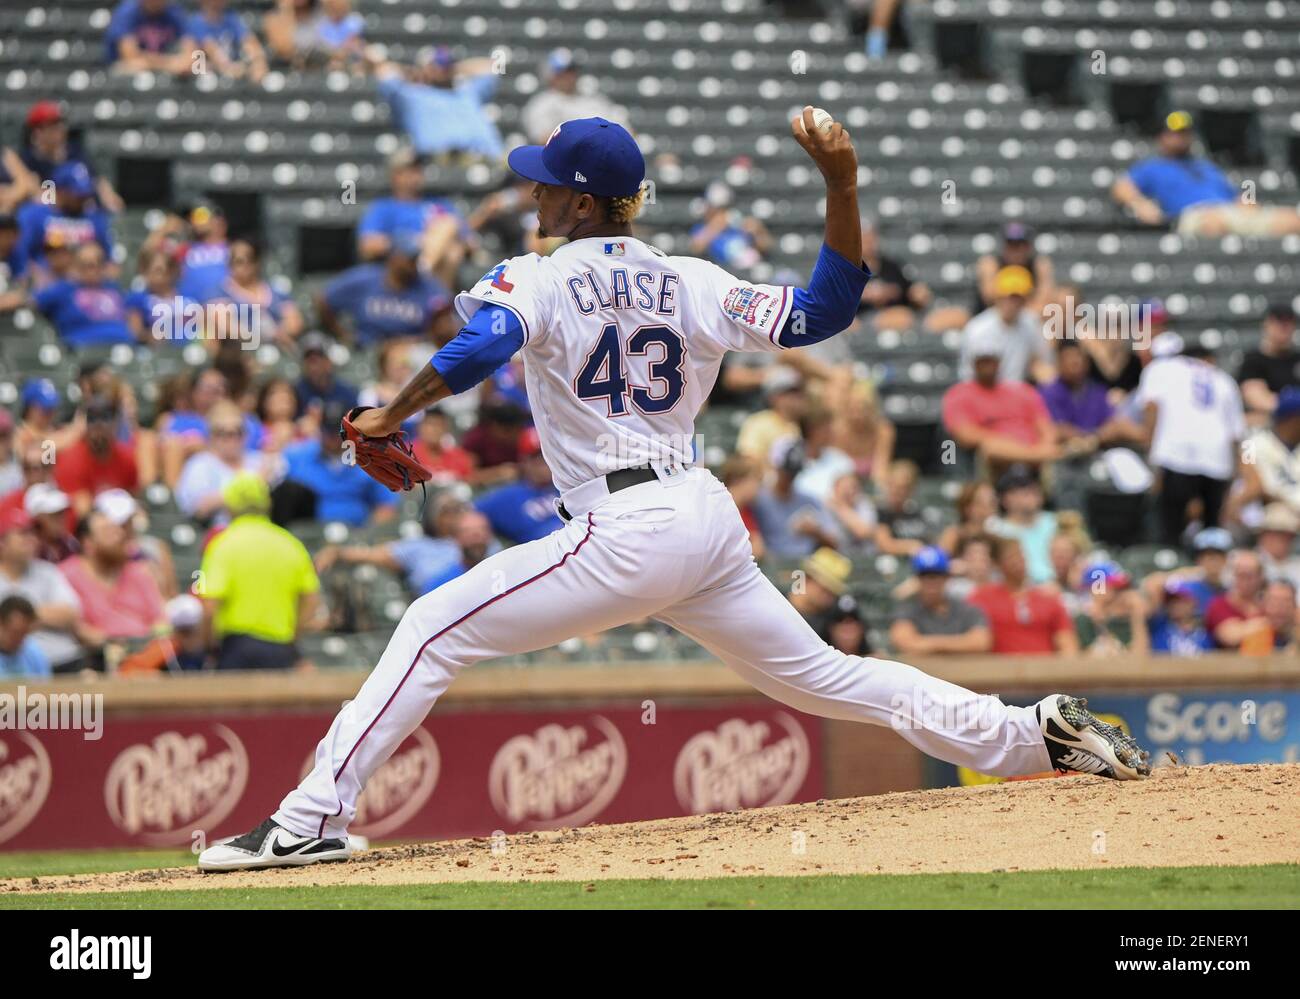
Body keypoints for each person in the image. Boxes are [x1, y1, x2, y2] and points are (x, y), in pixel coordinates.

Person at [199, 110, 1148, 871]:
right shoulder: (688, 278)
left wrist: (386, 412)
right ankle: (1035, 735)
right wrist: (843, 185)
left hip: (625, 526)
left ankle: (307, 818)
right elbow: (823, 311)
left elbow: (484, 344)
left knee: (428, 628)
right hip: (701, 516)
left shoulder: (535, 272)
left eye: (544, 181)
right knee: (831, 678)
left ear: (576, 204)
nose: (531, 190)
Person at [198, 473, 321, 670]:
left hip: (236, 648)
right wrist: (293, 636)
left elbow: (209, 607)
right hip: (281, 648)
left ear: (229, 507)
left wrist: (208, 647)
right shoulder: (291, 544)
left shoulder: (222, 544)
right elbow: (311, 600)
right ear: (267, 504)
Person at [1112, 111, 1300, 238]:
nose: (1180, 138)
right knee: (1214, 223)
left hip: (1228, 212)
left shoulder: (1206, 167)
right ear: (1162, 137)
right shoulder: (1153, 167)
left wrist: (1249, 204)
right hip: (1194, 216)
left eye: (1184, 133)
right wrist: (1139, 204)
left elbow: (1236, 197)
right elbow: (1121, 187)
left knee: (1294, 220)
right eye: (1174, 133)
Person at [1135, 342, 1245, 544]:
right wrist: (1236, 475)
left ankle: (1170, 560)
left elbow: (1151, 408)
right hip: (1217, 459)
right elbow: (1238, 436)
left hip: (1177, 455)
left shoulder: (1162, 368)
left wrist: (1151, 453)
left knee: (1169, 527)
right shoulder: (1224, 379)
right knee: (1212, 531)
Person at [942, 327, 1061, 469]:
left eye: (991, 360)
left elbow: (1045, 427)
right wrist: (1028, 451)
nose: (987, 366)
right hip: (994, 462)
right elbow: (965, 436)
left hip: (1036, 457)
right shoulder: (958, 394)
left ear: (999, 362)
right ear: (973, 363)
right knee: (992, 448)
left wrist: (1046, 444)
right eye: (983, 361)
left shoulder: (1023, 390)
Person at [356, 148, 469, 287]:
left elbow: (469, 241)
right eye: (410, 170)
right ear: (395, 176)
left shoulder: (439, 203)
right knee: (450, 239)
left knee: (452, 246)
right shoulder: (383, 207)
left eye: (418, 170)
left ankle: (424, 273)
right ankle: (430, 290)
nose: (416, 175)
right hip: (401, 265)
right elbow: (367, 246)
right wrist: (413, 241)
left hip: (438, 263)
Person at [370, 46, 504, 161]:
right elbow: (384, 72)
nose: (442, 69)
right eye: (437, 64)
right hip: (437, 160)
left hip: (484, 157)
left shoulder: (466, 92)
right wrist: (414, 72)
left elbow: (494, 66)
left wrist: (455, 68)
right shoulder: (411, 95)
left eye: (445, 64)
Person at [317, 235, 452, 346]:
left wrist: (428, 335)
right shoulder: (365, 278)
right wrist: (344, 335)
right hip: (367, 349)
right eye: (409, 258)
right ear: (394, 258)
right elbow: (324, 300)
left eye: (415, 259)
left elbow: (447, 317)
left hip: (411, 352)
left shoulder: (428, 286)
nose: (413, 264)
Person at [281, 402, 400, 526]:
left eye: (338, 431)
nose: (332, 437)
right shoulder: (296, 457)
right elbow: (283, 502)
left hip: (358, 535)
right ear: (320, 429)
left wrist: (368, 535)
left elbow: (386, 505)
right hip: (310, 533)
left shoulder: (370, 459)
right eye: (328, 430)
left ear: (350, 431)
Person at [59, 508, 166, 644]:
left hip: (145, 653)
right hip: (94, 656)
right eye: (108, 532)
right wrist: (107, 643)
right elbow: (75, 626)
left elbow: (161, 619)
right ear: (88, 543)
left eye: (119, 530)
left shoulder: (138, 572)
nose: (120, 536)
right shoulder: (67, 575)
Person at [0, 508, 85, 672]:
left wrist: (21, 616)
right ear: (2, 541)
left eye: (33, 534)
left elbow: (71, 613)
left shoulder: (48, 572)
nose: (31, 539)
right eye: (23, 533)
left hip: (64, 661)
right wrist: (43, 616)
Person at [968, 537, 1079, 655]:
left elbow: (1067, 643)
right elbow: (977, 640)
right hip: (999, 670)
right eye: (1011, 557)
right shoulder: (981, 598)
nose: (1018, 562)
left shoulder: (1048, 599)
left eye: (1020, 555)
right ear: (997, 564)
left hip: (1045, 669)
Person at [18, 101, 121, 213]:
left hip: (86, 217)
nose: (60, 129)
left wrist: (109, 196)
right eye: (53, 124)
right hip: (49, 220)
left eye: (61, 123)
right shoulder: (26, 160)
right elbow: (32, 195)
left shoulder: (76, 153)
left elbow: (97, 181)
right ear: (37, 131)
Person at [15, 162, 115, 277]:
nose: (83, 199)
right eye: (78, 195)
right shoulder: (34, 215)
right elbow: (21, 255)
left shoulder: (95, 217)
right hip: (46, 281)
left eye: (85, 194)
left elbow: (110, 262)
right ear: (60, 191)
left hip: (86, 284)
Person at [889, 547, 991, 655]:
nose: (930, 581)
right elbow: (905, 643)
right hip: (922, 670)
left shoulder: (967, 609)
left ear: (947, 577)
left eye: (936, 575)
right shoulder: (907, 609)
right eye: (924, 575)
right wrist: (960, 644)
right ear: (917, 578)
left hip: (961, 671)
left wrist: (925, 643)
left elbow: (981, 643)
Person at [753, 438, 844, 559]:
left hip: (806, 566)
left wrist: (816, 532)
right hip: (771, 567)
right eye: (787, 471)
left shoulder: (809, 500)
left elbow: (835, 542)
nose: (790, 477)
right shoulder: (758, 500)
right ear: (776, 466)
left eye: (794, 472)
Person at [32, 242, 135, 347]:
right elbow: (32, 303)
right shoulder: (62, 290)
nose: (93, 271)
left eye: (98, 264)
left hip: (123, 347)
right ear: (75, 266)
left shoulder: (113, 288)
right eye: (87, 265)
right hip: (84, 350)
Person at [53, 396, 139, 516]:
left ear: (116, 423)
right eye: (92, 419)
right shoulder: (70, 460)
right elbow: (83, 514)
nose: (98, 425)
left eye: (105, 418)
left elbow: (132, 500)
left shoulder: (126, 458)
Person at [521, 49, 630, 143]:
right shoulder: (541, 104)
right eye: (564, 72)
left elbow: (626, 132)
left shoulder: (594, 99)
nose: (570, 76)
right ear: (550, 75)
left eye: (572, 71)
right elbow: (543, 139)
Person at [473, 430, 562, 544]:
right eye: (537, 458)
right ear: (524, 461)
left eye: (546, 456)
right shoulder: (508, 496)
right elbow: (470, 515)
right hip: (539, 553)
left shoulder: (570, 485)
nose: (543, 463)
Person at [987, 464, 1057, 585]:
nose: (1029, 492)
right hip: (1017, 588)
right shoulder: (994, 527)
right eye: (1019, 489)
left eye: (1032, 487)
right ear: (1004, 499)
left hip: (1057, 586)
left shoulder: (1054, 521)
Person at [972, 222, 1057, 315]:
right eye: (1011, 244)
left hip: (1028, 317)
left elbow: (1045, 300)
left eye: (1020, 245)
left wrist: (1017, 313)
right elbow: (990, 297)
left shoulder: (1039, 264)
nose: (1015, 250)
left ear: (1028, 247)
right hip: (991, 316)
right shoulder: (990, 263)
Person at [689, 181, 772, 271]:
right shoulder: (702, 227)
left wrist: (758, 231)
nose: (720, 212)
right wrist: (717, 225)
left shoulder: (739, 221)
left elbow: (765, 246)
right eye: (716, 208)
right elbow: (696, 248)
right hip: (721, 271)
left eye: (723, 208)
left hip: (747, 272)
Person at [1074, 558, 1150, 656]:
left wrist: (1137, 614)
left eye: (1122, 589)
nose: (1123, 594)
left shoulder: (1131, 619)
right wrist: (1099, 622)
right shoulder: (1084, 621)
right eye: (1115, 588)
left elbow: (1140, 658)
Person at [1039, 340, 1112, 440]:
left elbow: (1111, 423)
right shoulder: (1047, 394)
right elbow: (1056, 430)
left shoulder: (1098, 391)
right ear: (1059, 364)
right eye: (1069, 360)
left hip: (1101, 448)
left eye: (1078, 359)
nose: (1074, 364)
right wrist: (1091, 436)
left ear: (1086, 363)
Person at [1237, 302, 1299, 418]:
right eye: (1279, 321)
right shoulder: (1253, 360)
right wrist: (1292, 405)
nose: (1284, 327)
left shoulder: (1297, 359)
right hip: (1268, 427)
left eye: (1289, 322)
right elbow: (1257, 399)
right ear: (1267, 324)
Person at [104, 0, 194, 75]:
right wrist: (169, 63)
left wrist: (182, 62)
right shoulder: (127, 11)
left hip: (162, 66)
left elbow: (190, 51)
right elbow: (130, 55)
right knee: (134, 66)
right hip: (129, 68)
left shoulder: (174, 11)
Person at [188, 0, 268, 82]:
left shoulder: (231, 17)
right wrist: (232, 68)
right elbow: (213, 52)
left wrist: (258, 62)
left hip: (235, 70)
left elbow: (249, 41)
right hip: (212, 75)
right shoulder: (197, 22)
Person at [1204, 550, 1267, 650]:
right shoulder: (1219, 605)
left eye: (1250, 576)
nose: (1245, 581)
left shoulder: (1268, 605)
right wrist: (1271, 622)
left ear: (1261, 577)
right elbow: (1230, 637)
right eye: (1240, 575)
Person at [788, 547, 852, 634]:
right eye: (826, 588)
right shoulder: (776, 605)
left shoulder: (833, 622)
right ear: (808, 578)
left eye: (834, 592)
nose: (830, 596)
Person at [294, 333, 359, 418]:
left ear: (328, 362)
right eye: (309, 361)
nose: (313, 367)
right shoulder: (297, 392)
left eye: (317, 361)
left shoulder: (345, 392)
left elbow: (356, 422)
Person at [1148, 579, 1214, 655]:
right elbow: (1153, 584)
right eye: (1171, 601)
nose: (1175, 605)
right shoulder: (1158, 626)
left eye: (1181, 601)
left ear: (1193, 602)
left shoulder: (1205, 635)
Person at [410, 408, 475, 484]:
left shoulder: (459, 457)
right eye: (431, 424)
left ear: (446, 429)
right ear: (421, 427)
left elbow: (469, 482)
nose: (435, 429)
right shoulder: (408, 454)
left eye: (439, 425)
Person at [0, 594, 51, 678]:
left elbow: (47, 688)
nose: (20, 639)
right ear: (1, 622)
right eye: (15, 632)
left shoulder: (33, 652)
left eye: (24, 633)